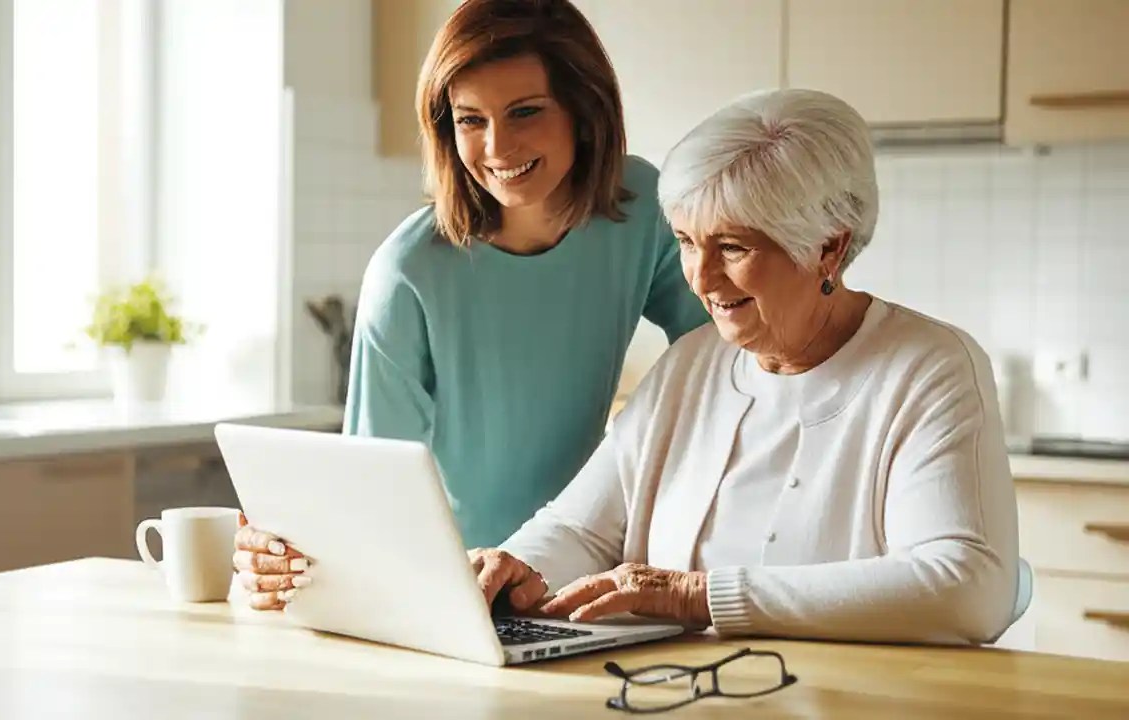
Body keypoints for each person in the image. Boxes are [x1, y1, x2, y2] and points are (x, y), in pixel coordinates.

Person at [473, 88, 1021, 644]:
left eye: (732, 248)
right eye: (687, 242)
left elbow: (969, 589)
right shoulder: (689, 365)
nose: (701, 279)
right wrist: (516, 569)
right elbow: (580, 529)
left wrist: (698, 596)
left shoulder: (929, 369)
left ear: (828, 248)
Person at [235, 0, 709, 611]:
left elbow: (717, 355)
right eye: (470, 120)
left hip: (584, 573)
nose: (497, 146)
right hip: (458, 590)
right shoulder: (408, 272)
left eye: (525, 112)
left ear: (584, 112)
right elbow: (370, 485)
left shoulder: (641, 206)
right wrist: (287, 557)